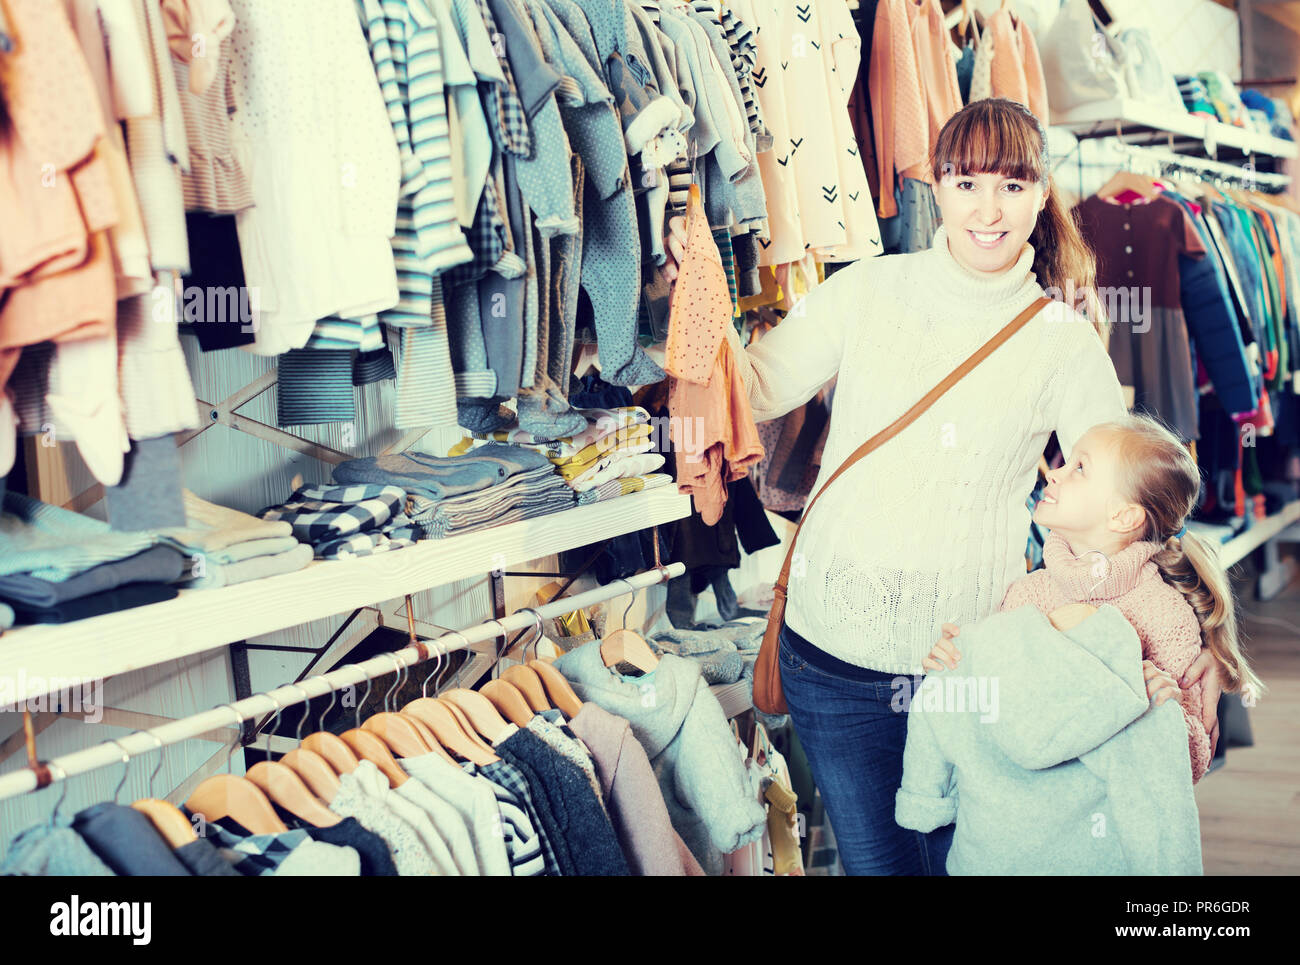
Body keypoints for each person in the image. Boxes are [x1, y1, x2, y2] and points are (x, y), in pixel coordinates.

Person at [658, 98, 1227, 875]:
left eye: (1012, 186)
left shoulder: (1059, 341)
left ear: (1040, 194)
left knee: (968, 862)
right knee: (876, 865)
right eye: (967, 184)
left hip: (967, 667)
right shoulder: (867, 291)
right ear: (939, 186)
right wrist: (694, 295)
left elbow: (1123, 504)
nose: (988, 210)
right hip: (828, 655)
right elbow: (751, 390)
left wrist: (1176, 636)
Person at [927, 413, 1265, 788]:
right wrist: (956, 667)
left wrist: (1158, 712)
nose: (1054, 472)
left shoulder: (1164, 614)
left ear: (1123, 516)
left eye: (1080, 468)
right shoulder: (1026, 593)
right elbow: (996, 709)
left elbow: (1190, 761)